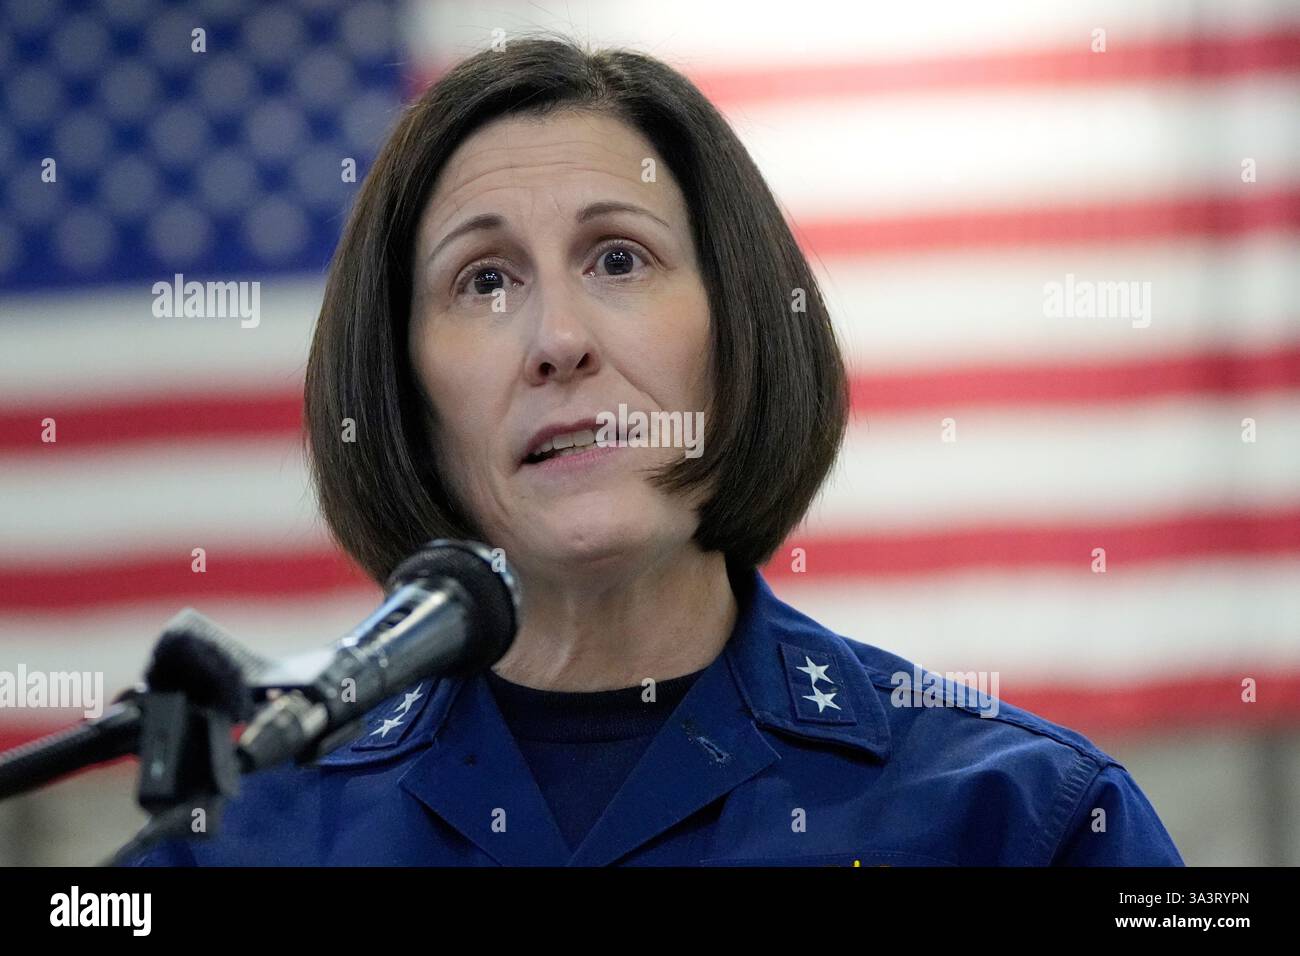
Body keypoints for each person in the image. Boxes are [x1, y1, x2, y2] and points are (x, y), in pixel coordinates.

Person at [129, 34, 1182, 866]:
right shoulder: (238, 841)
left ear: (739, 330)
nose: (558, 341)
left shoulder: (1023, 824)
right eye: (483, 280)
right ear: (401, 387)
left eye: (619, 258)